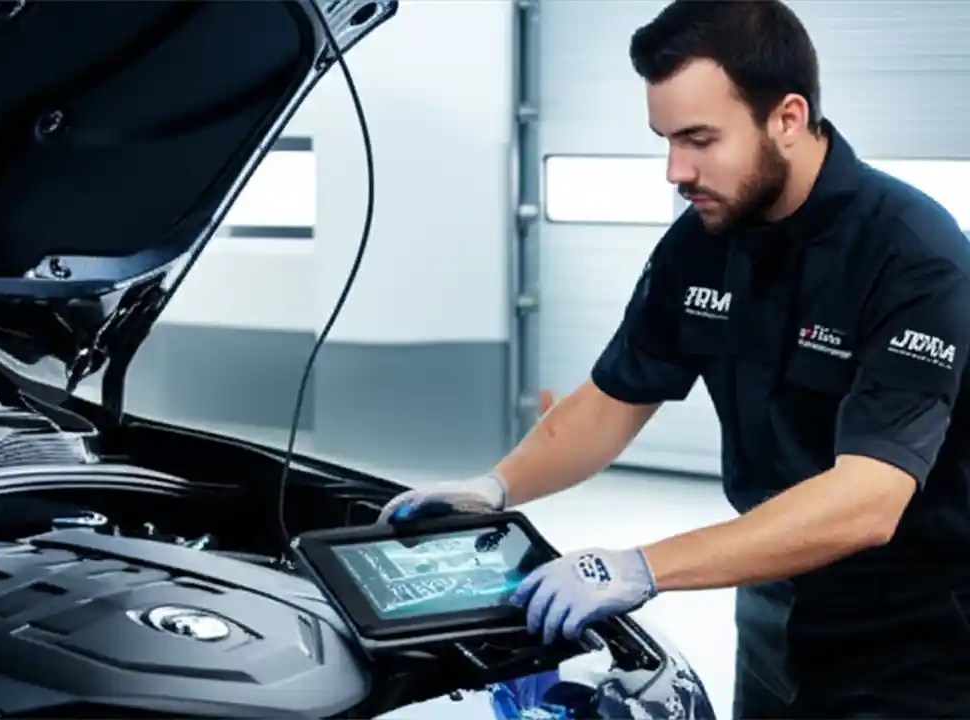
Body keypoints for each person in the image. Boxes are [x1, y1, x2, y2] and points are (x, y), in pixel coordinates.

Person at [377, 1, 970, 717]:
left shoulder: (913, 256)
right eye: (665, 140)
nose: (675, 171)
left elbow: (867, 502)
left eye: (698, 139)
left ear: (787, 117)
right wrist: (496, 487)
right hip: (772, 603)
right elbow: (612, 399)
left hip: (915, 634)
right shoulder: (703, 239)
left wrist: (640, 568)